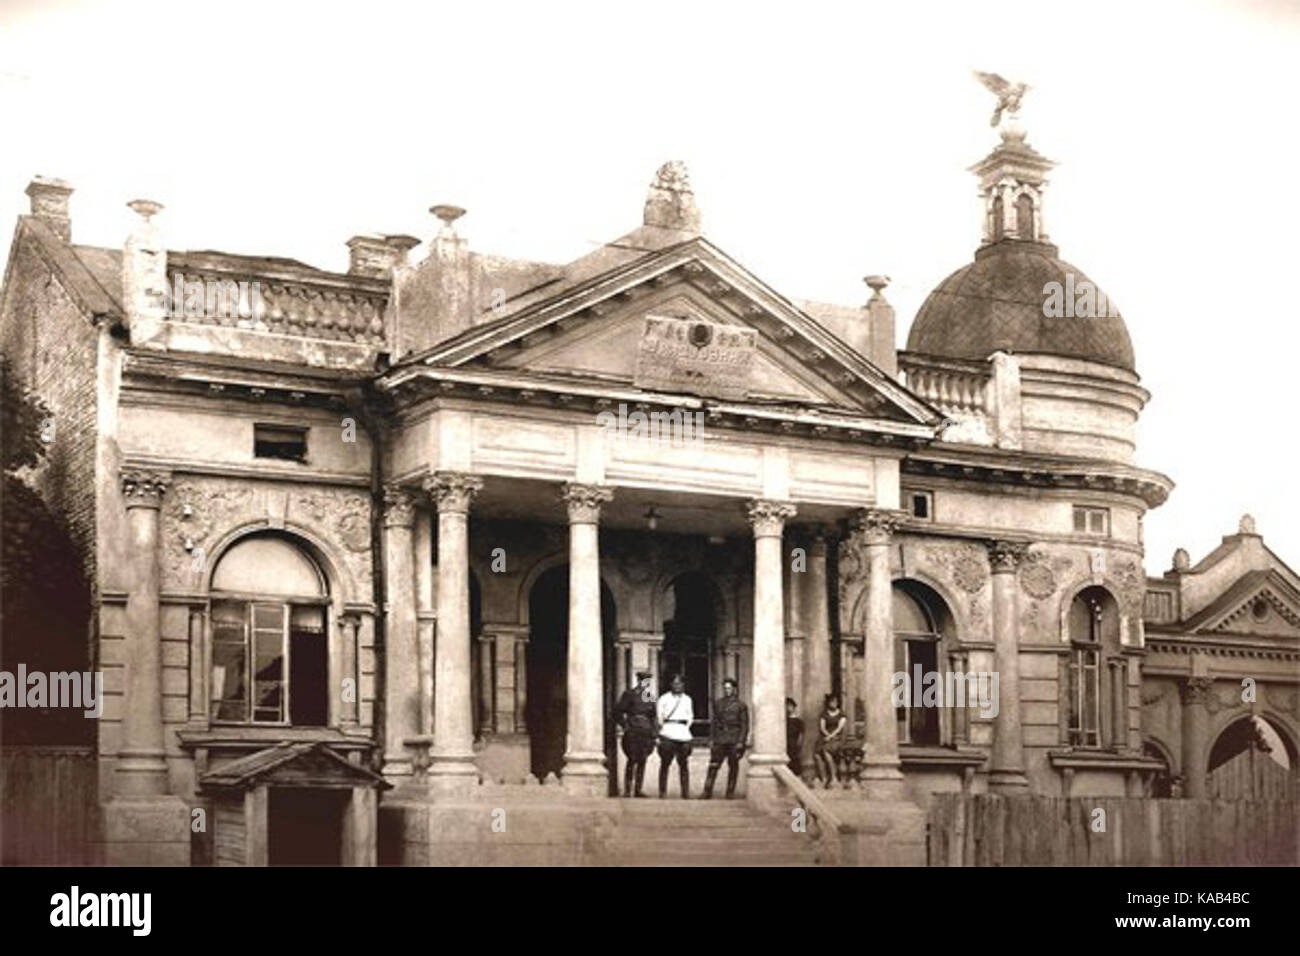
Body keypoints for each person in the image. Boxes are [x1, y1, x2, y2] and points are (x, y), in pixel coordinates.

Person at [703, 677, 749, 799]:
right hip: (720, 738)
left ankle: (730, 792)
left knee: (733, 766)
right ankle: (707, 791)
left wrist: (741, 741)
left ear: (734, 689)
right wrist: (712, 739)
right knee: (713, 765)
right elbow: (714, 722)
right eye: (725, 688)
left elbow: (744, 725)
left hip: (734, 739)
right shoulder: (719, 703)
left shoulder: (741, 705)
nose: (727, 690)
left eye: (729, 688)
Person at [612, 670, 656, 797]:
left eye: (648, 681)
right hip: (633, 732)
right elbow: (617, 712)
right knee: (631, 760)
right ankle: (627, 790)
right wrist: (625, 725)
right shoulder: (629, 694)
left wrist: (654, 733)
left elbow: (653, 716)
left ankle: (638, 790)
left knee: (643, 761)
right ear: (639, 681)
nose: (646, 683)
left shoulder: (649, 697)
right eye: (644, 680)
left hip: (646, 733)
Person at [656, 673, 694, 798]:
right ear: (671, 684)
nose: (678, 686)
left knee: (683, 764)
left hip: (683, 734)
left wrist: (683, 728)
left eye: (680, 683)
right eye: (675, 683)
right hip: (668, 733)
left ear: (684, 685)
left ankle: (685, 792)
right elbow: (659, 717)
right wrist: (666, 729)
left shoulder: (687, 699)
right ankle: (662, 792)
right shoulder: (664, 699)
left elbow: (690, 717)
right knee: (665, 763)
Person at [813, 693, 847, 788]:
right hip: (825, 737)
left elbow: (839, 728)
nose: (834, 703)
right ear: (828, 703)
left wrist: (831, 736)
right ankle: (823, 778)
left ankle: (833, 777)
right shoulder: (824, 714)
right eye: (832, 702)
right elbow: (822, 727)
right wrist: (827, 735)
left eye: (835, 702)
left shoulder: (841, 714)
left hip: (837, 738)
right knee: (816, 755)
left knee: (826, 752)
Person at [785, 697, 805, 779]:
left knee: (795, 759)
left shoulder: (798, 721)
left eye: (790, 706)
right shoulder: (784, 720)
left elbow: (801, 733)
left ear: (794, 707)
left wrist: (799, 743)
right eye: (786, 706)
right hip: (786, 742)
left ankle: (798, 776)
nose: (788, 708)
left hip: (794, 742)